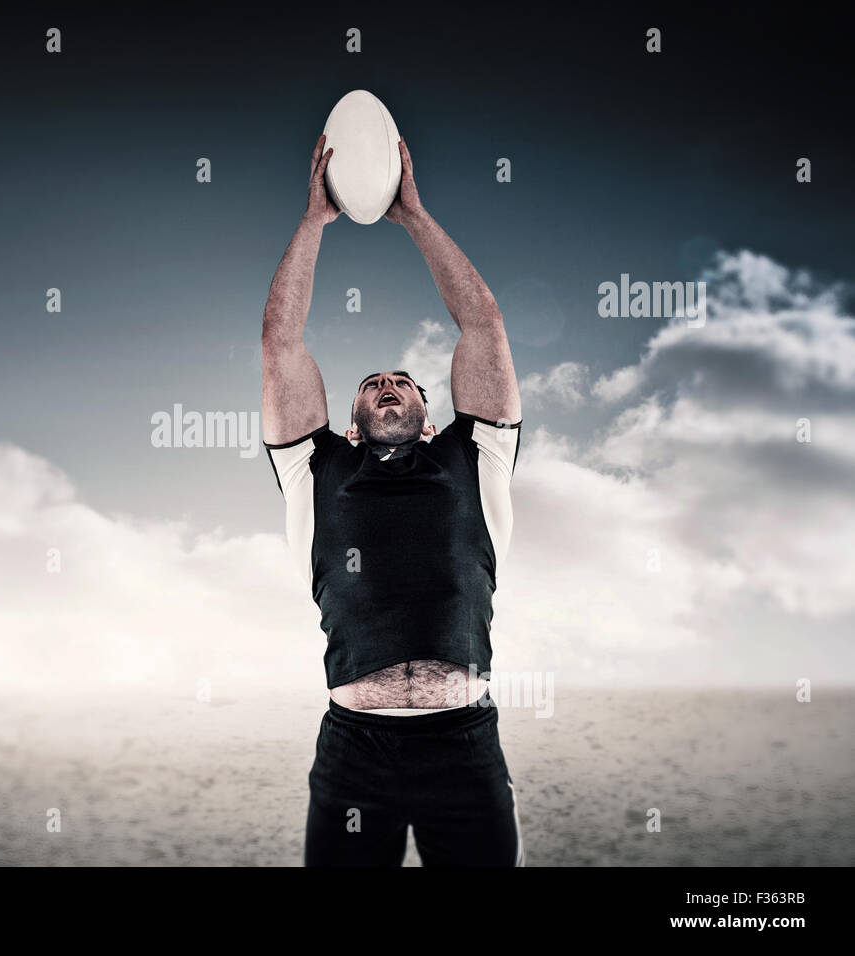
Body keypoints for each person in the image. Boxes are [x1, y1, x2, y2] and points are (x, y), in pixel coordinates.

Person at [261, 134, 525, 866]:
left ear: (430, 415)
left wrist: (413, 216)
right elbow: (282, 344)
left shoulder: (476, 461)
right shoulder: (317, 469)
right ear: (349, 424)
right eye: (372, 382)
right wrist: (314, 220)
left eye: (403, 381)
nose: (387, 384)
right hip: (356, 753)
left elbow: (484, 325)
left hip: (463, 746)